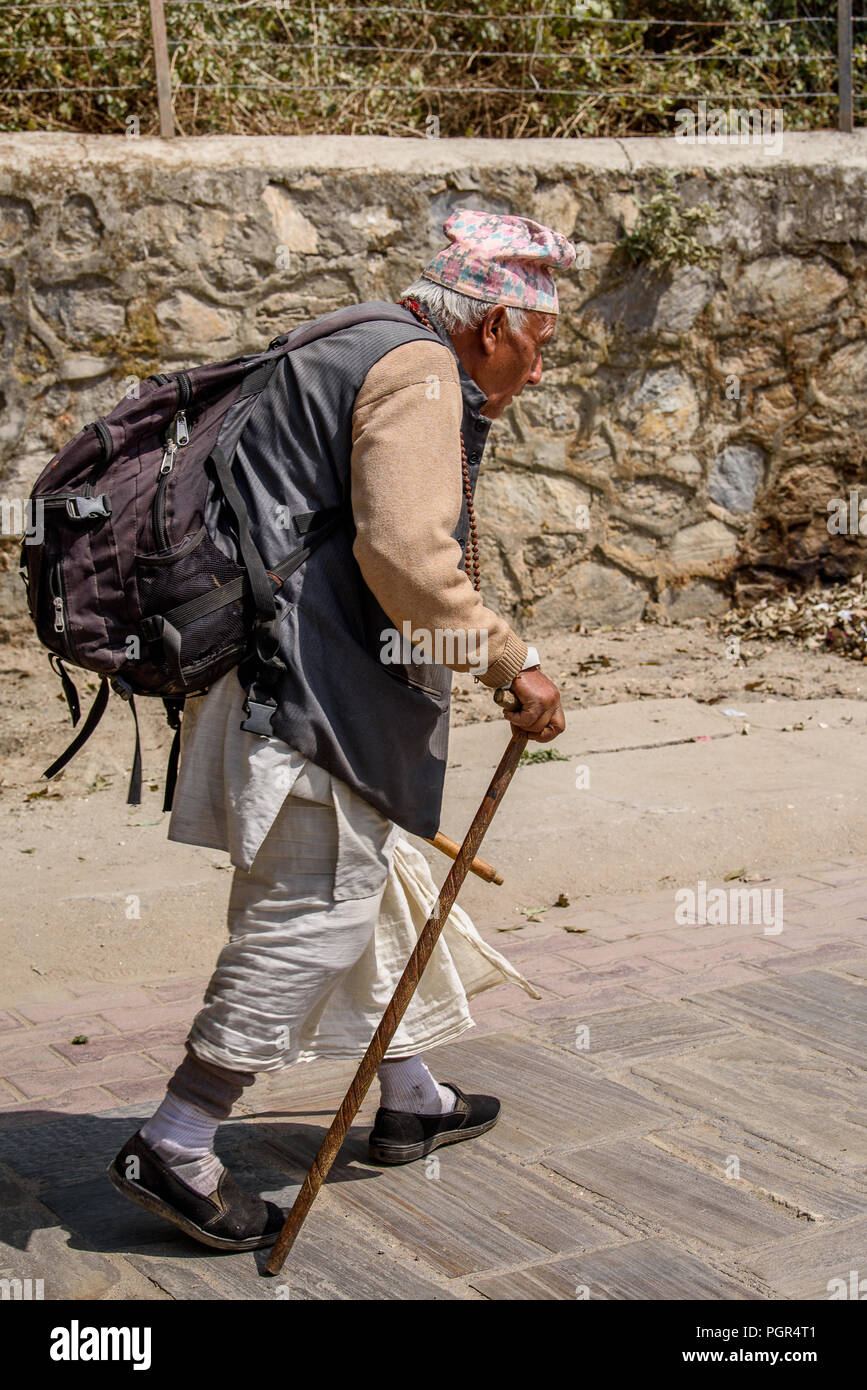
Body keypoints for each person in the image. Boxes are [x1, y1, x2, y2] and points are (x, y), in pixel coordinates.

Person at [109, 209, 572, 1251]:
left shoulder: (356, 337)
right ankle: (177, 1137)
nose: (540, 372)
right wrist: (513, 661)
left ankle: (407, 1095)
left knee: (364, 885)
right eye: (542, 343)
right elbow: (407, 559)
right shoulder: (415, 373)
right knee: (313, 907)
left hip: (282, 674)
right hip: (302, 692)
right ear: (494, 323)